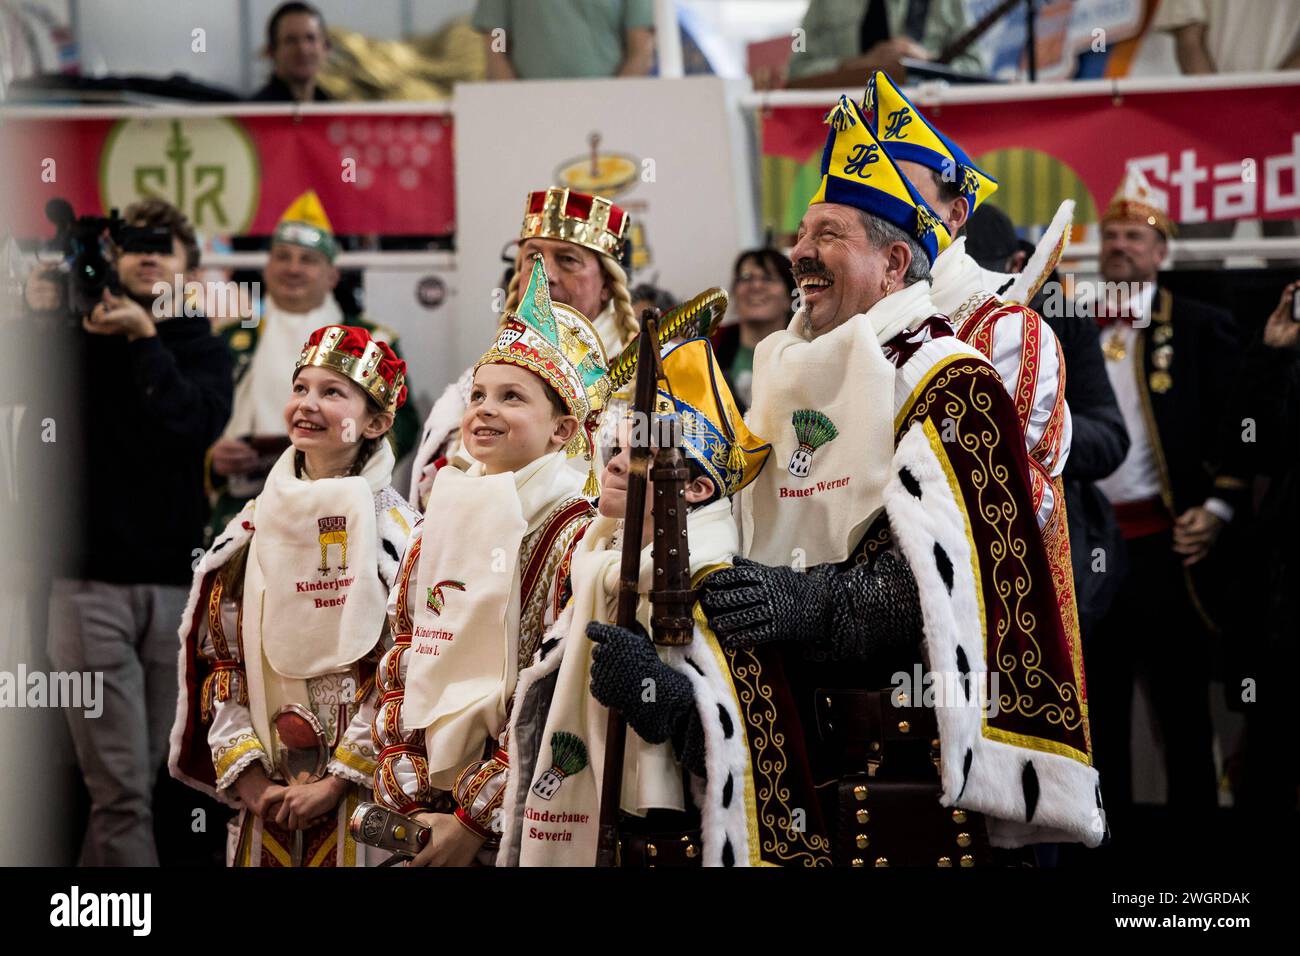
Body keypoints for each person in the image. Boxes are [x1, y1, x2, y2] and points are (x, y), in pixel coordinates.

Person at [695, 95, 1101, 863]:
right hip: (813, 728)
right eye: (806, 229)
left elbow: (988, 542)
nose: (804, 250)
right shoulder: (795, 355)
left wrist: (822, 603)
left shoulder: (971, 350)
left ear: (909, 247)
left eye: (835, 229)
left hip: (945, 728)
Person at [371, 255, 611, 866]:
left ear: (562, 430)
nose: (483, 409)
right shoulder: (440, 515)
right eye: (478, 394)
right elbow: (406, 648)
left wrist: (474, 821)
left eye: (512, 397)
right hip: (425, 801)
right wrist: (407, 781)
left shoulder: (576, 533)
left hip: (524, 810)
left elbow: (560, 688)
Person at [495, 337, 771, 866]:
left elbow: (757, 756)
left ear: (694, 489)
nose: (616, 465)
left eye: (639, 453)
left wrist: (666, 700)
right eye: (615, 450)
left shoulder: (714, 584)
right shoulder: (599, 562)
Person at [170, 324, 416, 866]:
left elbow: (410, 664)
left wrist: (336, 779)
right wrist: (253, 780)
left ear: (374, 422)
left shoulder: (401, 535)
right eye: (301, 388)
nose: (307, 404)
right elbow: (224, 661)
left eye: (332, 392)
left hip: (365, 798)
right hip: (269, 803)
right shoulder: (250, 528)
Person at [36, 199, 233, 867]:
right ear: (112, 259)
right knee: (120, 788)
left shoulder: (200, 345)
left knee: (140, 780)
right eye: (134, 244)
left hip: (174, 590)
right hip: (89, 584)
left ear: (188, 267)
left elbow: (190, 424)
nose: (148, 254)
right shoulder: (67, 336)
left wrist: (146, 339)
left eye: (164, 245)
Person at [867, 70, 1081, 660]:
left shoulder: (1007, 330)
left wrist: (859, 597)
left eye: (899, 193)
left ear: (956, 213)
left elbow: (1008, 510)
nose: (878, 209)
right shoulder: (829, 331)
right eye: (865, 193)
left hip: (980, 650)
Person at [1088, 167, 1246, 847]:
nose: (1121, 245)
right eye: (1113, 235)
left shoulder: (1205, 326)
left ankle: (1198, 864)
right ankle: (1106, 850)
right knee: (1099, 714)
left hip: (1167, 548)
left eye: (1136, 236)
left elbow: (1243, 424)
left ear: (1160, 252)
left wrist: (1218, 506)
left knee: (1183, 713)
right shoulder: (1067, 321)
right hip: (1092, 550)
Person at [409, 187, 638, 509]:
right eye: (534, 257)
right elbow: (432, 496)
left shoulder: (656, 375)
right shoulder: (470, 386)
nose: (547, 275)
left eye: (568, 260)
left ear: (607, 285)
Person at [207, 190, 418, 539]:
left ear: (332, 275)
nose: (293, 268)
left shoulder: (373, 341)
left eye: (307, 259)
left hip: (342, 509)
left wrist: (353, 454)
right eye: (282, 257)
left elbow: (403, 421)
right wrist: (212, 459)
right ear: (268, 267)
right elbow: (198, 421)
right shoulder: (230, 342)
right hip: (243, 511)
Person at [965, 203, 1131, 639]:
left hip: (1053, 550)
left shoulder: (1063, 320)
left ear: (1018, 265)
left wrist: (1039, 423)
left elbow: (1111, 439)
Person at [789, 0, 985, 82]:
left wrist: (928, 63)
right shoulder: (822, 4)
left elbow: (976, 68)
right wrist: (857, 66)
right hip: (848, 130)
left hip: (931, 136)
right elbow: (796, 71)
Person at [473, 0, 655, 81]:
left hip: (607, 112)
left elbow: (640, 52)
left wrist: (610, 103)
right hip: (529, 111)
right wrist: (514, 100)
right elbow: (497, 32)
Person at [711, 248, 796, 411]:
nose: (756, 286)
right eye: (746, 278)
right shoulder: (708, 348)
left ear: (789, 297)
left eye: (768, 278)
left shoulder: (808, 350)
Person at [251, 2, 333, 102]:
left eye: (310, 38)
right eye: (291, 40)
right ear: (271, 51)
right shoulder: (252, 113)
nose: (303, 49)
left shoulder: (335, 109)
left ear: (326, 48)